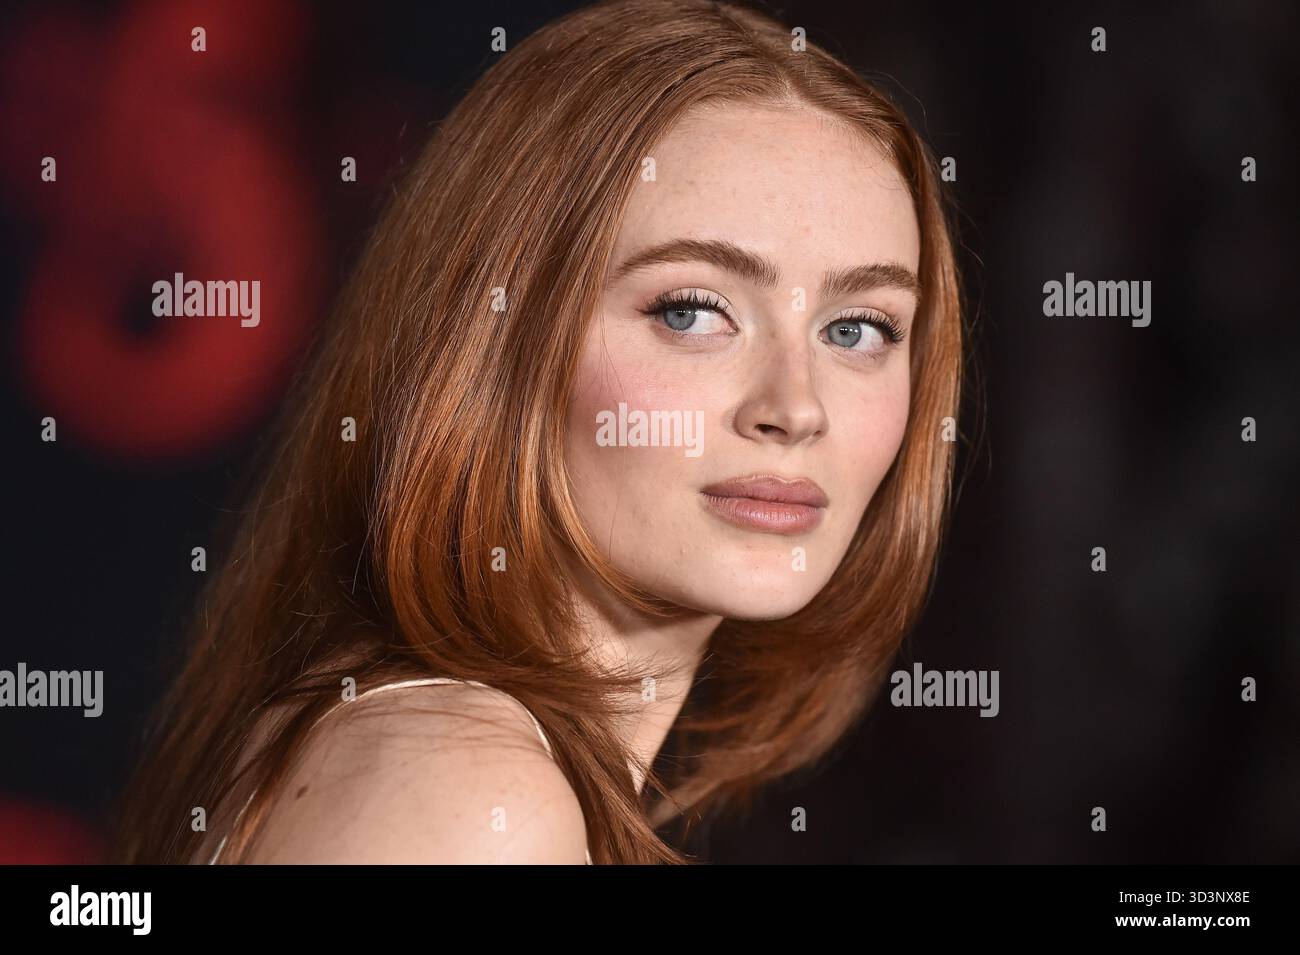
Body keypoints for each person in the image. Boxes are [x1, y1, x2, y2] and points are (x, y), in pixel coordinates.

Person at [112, 0, 965, 865]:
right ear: (497, 338)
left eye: (858, 328)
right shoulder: (472, 795)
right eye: (691, 310)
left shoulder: (434, 751)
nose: (797, 405)